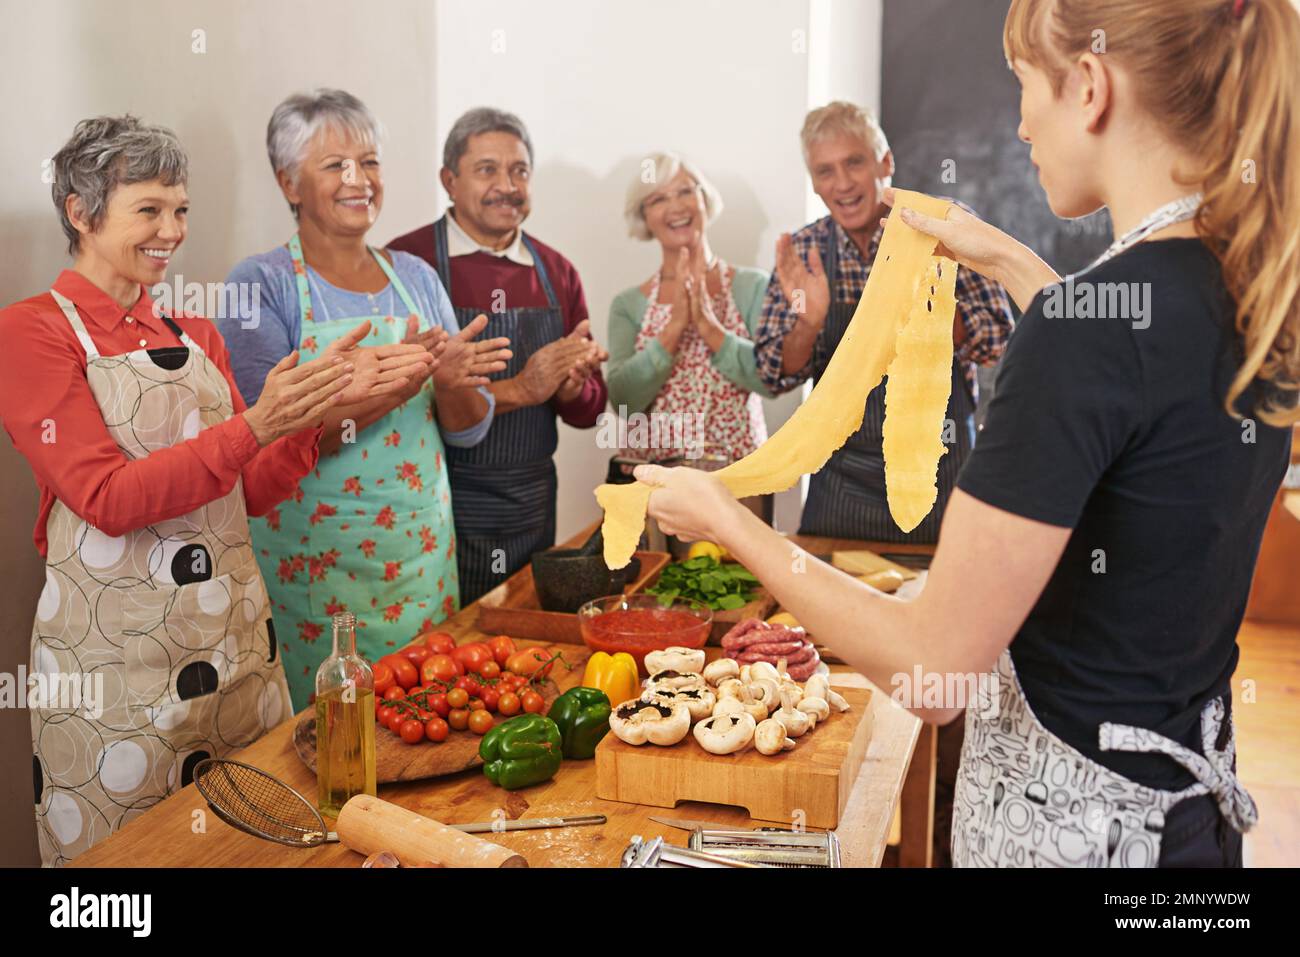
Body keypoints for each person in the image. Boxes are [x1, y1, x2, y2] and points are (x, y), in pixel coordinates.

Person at [632, 0, 1299, 867]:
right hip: (1182, 828)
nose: (1020, 124)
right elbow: (1125, 388)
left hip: (1070, 833)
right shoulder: (1252, 294)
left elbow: (932, 667)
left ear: (1089, 87)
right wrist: (1010, 259)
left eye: (1025, 87)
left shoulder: (1081, 335)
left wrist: (730, 521)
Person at [0, 115, 431, 865]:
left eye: (181, 210)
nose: (172, 230)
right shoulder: (33, 332)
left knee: (256, 847)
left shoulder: (197, 331)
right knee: (126, 865)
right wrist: (257, 422)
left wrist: (307, 415)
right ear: (80, 210)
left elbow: (250, 491)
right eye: (149, 210)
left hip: (234, 652)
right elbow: (106, 497)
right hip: (115, 673)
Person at [222, 90, 511, 708]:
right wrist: (402, 383)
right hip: (316, 563)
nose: (360, 180)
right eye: (335, 165)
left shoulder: (417, 278)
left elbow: (463, 432)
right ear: (288, 182)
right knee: (326, 732)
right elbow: (262, 440)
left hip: (419, 553)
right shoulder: (259, 284)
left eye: (370, 162)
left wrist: (453, 384)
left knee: (429, 716)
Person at [753, 101, 1014, 542]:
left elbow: (997, 341)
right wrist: (809, 323)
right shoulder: (805, 251)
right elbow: (773, 375)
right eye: (825, 171)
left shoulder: (943, 225)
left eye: (854, 162)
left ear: (885, 162)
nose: (842, 184)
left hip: (939, 474)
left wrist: (929, 301)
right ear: (814, 181)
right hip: (840, 484)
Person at [389, 107, 608, 602]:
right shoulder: (409, 262)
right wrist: (523, 386)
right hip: (439, 495)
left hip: (531, 498)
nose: (507, 185)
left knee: (522, 640)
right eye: (487, 169)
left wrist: (574, 387)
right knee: (448, 644)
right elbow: (398, 400)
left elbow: (591, 409)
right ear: (449, 180)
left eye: (520, 171)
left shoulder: (557, 271)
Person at [607, 153, 771, 464]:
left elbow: (771, 379)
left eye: (685, 191)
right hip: (654, 485)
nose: (676, 207)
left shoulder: (752, 286)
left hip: (737, 480)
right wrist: (673, 329)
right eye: (657, 199)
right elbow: (623, 401)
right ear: (644, 218)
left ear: (704, 199)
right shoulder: (627, 305)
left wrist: (710, 328)